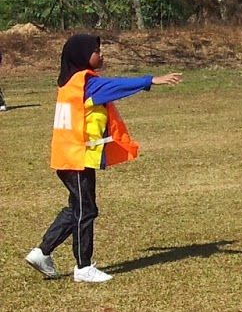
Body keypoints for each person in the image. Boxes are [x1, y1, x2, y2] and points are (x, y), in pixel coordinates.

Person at [24, 35, 182, 284]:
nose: (102, 55)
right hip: (76, 158)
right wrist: (150, 80)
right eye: (97, 51)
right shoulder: (86, 84)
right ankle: (83, 267)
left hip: (68, 156)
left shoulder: (71, 82)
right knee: (86, 210)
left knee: (77, 208)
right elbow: (117, 86)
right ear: (82, 56)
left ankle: (42, 253)